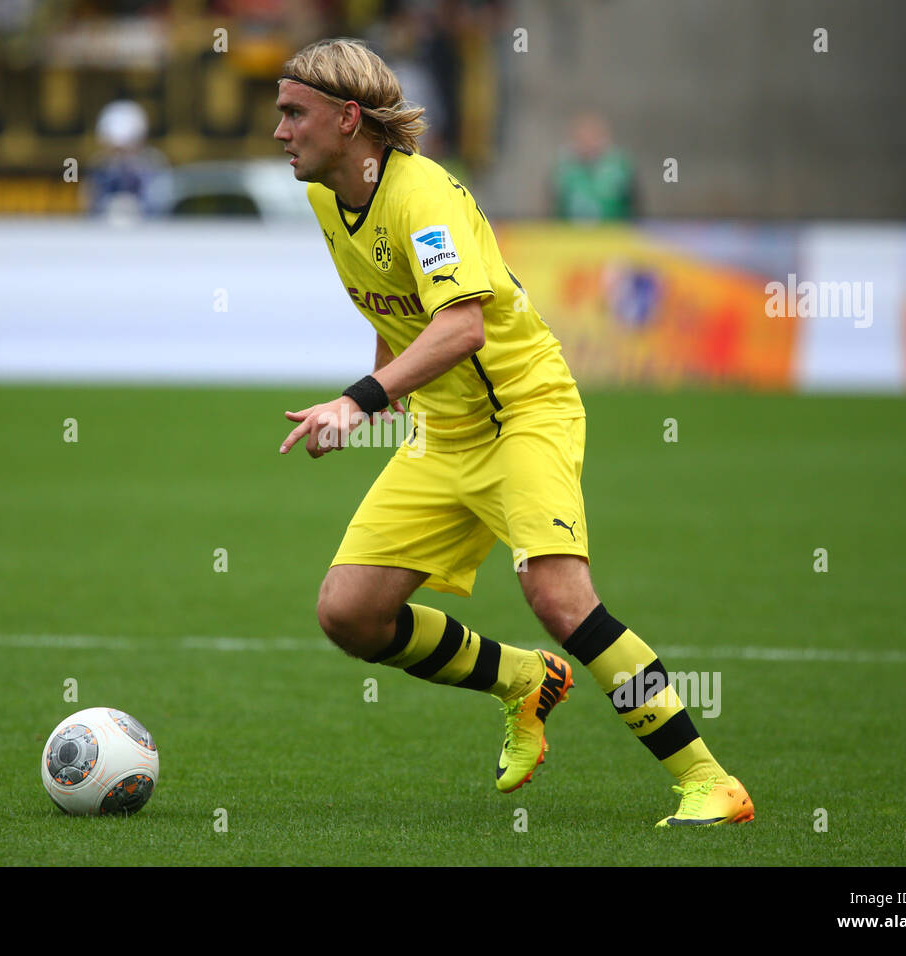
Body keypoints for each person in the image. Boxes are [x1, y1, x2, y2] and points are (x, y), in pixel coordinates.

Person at [273, 38, 752, 827]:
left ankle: (709, 782)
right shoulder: (329, 194)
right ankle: (526, 682)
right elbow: (394, 304)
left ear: (348, 117)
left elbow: (461, 326)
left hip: (522, 414)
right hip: (445, 430)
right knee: (350, 613)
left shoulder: (420, 197)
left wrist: (358, 401)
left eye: (295, 113)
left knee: (560, 598)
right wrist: (389, 390)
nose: (281, 130)